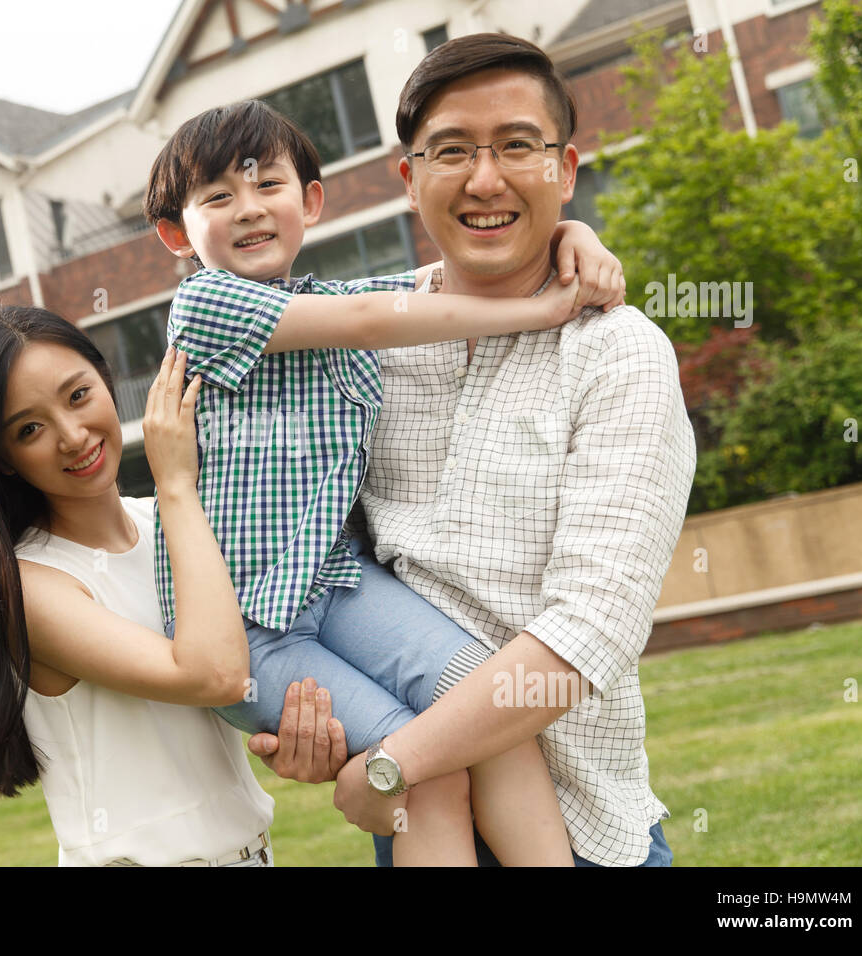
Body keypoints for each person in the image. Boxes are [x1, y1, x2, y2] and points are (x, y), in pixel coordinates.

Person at [249, 33, 696, 869]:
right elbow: (302, 540)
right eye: (452, 150)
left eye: (517, 146)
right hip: (422, 819)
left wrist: (391, 764)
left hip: (582, 828)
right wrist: (303, 709)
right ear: (408, 176)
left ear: (565, 170)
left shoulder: (620, 353)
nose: (485, 179)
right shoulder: (362, 336)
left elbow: (587, 636)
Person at [142, 98, 627, 864]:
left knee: (490, 703)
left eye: (268, 185)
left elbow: (440, 286)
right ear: (177, 234)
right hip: (246, 628)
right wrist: (544, 312)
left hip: (337, 583)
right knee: (417, 774)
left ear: (310, 202)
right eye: (217, 198)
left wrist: (570, 230)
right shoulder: (204, 305)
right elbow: (379, 320)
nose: (248, 210)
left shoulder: (330, 302)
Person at [0, 305, 278, 866]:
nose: (73, 436)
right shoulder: (31, 586)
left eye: (77, 395)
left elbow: (245, 675)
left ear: (105, 378)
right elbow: (213, 675)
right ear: (2, 459)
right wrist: (176, 483)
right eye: (30, 429)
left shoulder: (167, 526)